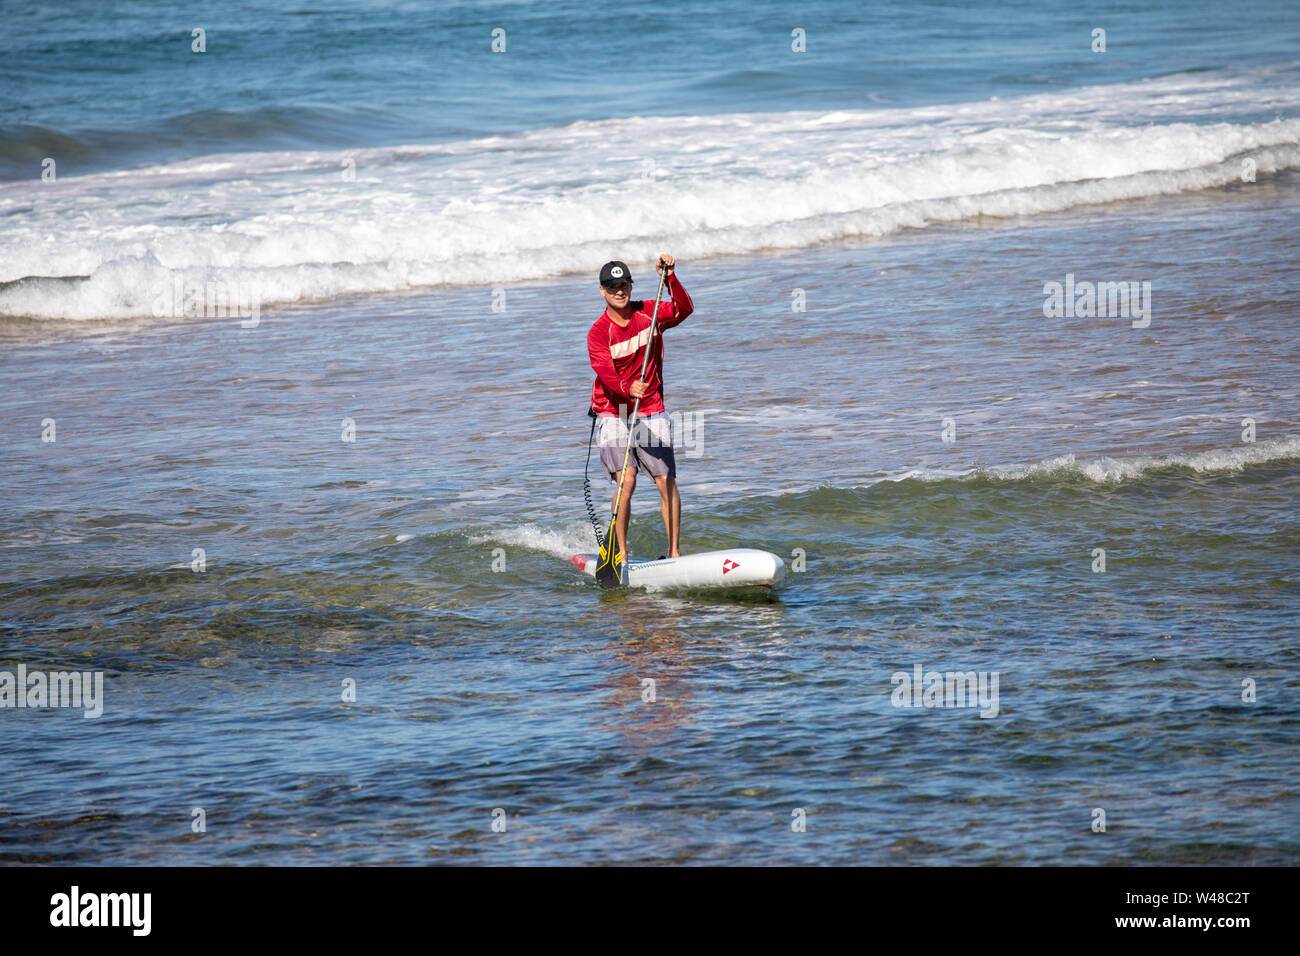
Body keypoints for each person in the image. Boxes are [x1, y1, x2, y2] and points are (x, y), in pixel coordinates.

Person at [587, 254, 693, 567]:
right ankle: (620, 554)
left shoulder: (650, 311)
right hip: (613, 411)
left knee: (665, 480)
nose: (620, 291)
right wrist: (625, 387)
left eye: (624, 285)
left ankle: (674, 553)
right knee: (627, 482)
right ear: (602, 291)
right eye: (613, 287)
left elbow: (684, 309)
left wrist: (670, 278)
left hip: (652, 408)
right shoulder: (598, 332)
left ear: (631, 286)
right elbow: (605, 371)